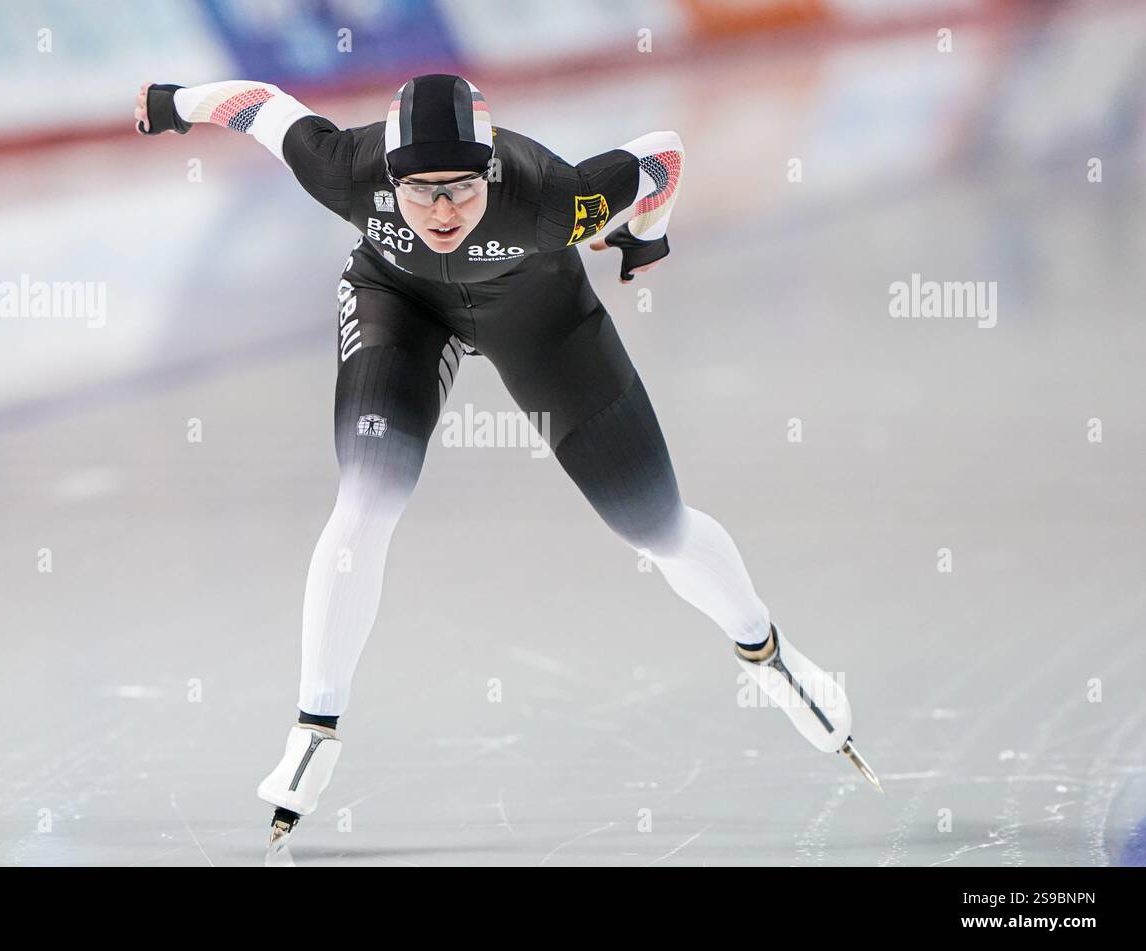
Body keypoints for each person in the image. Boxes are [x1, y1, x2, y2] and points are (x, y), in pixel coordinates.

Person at [134, 73, 881, 849]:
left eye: (460, 186)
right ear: (388, 179)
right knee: (366, 497)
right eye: (420, 192)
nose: (443, 211)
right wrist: (173, 102)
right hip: (401, 303)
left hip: (540, 314)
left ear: (491, 169)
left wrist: (648, 232)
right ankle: (314, 729)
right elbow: (260, 107)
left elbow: (662, 156)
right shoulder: (344, 167)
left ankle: (767, 651)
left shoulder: (554, 196)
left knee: (655, 527)